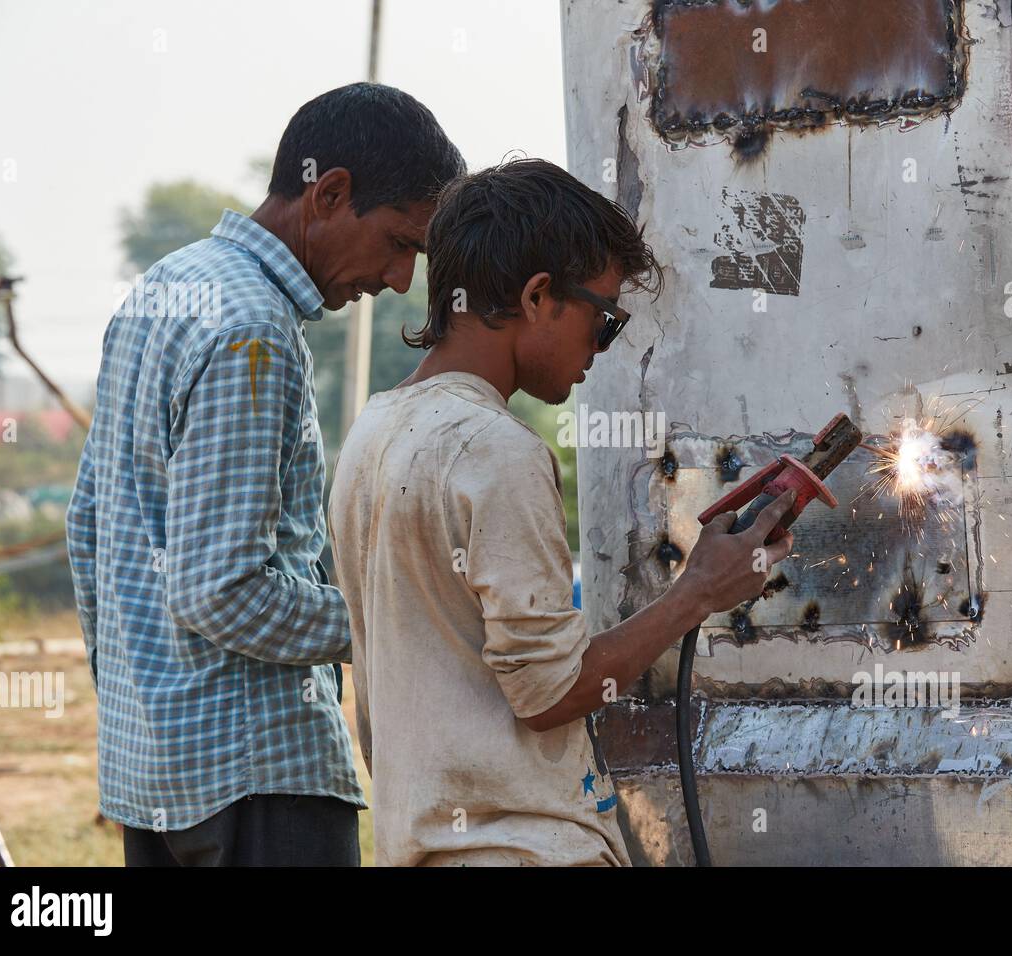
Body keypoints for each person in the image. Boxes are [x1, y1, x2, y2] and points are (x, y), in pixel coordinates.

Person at [328, 158, 796, 866]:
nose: (598, 352)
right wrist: (699, 592)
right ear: (540, 297)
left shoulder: (373, 432)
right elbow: (549, 693)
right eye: (603, 320)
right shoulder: (494, 450)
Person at [65, 83, 464, 866]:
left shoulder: (164, 289)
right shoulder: (253, 331)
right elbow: (224, 590)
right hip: (259, 779)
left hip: (157, 778)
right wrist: (399, 624)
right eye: (399, 243)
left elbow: (89, 531)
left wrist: (136, 706)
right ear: (331, 193)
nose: (396, 281)